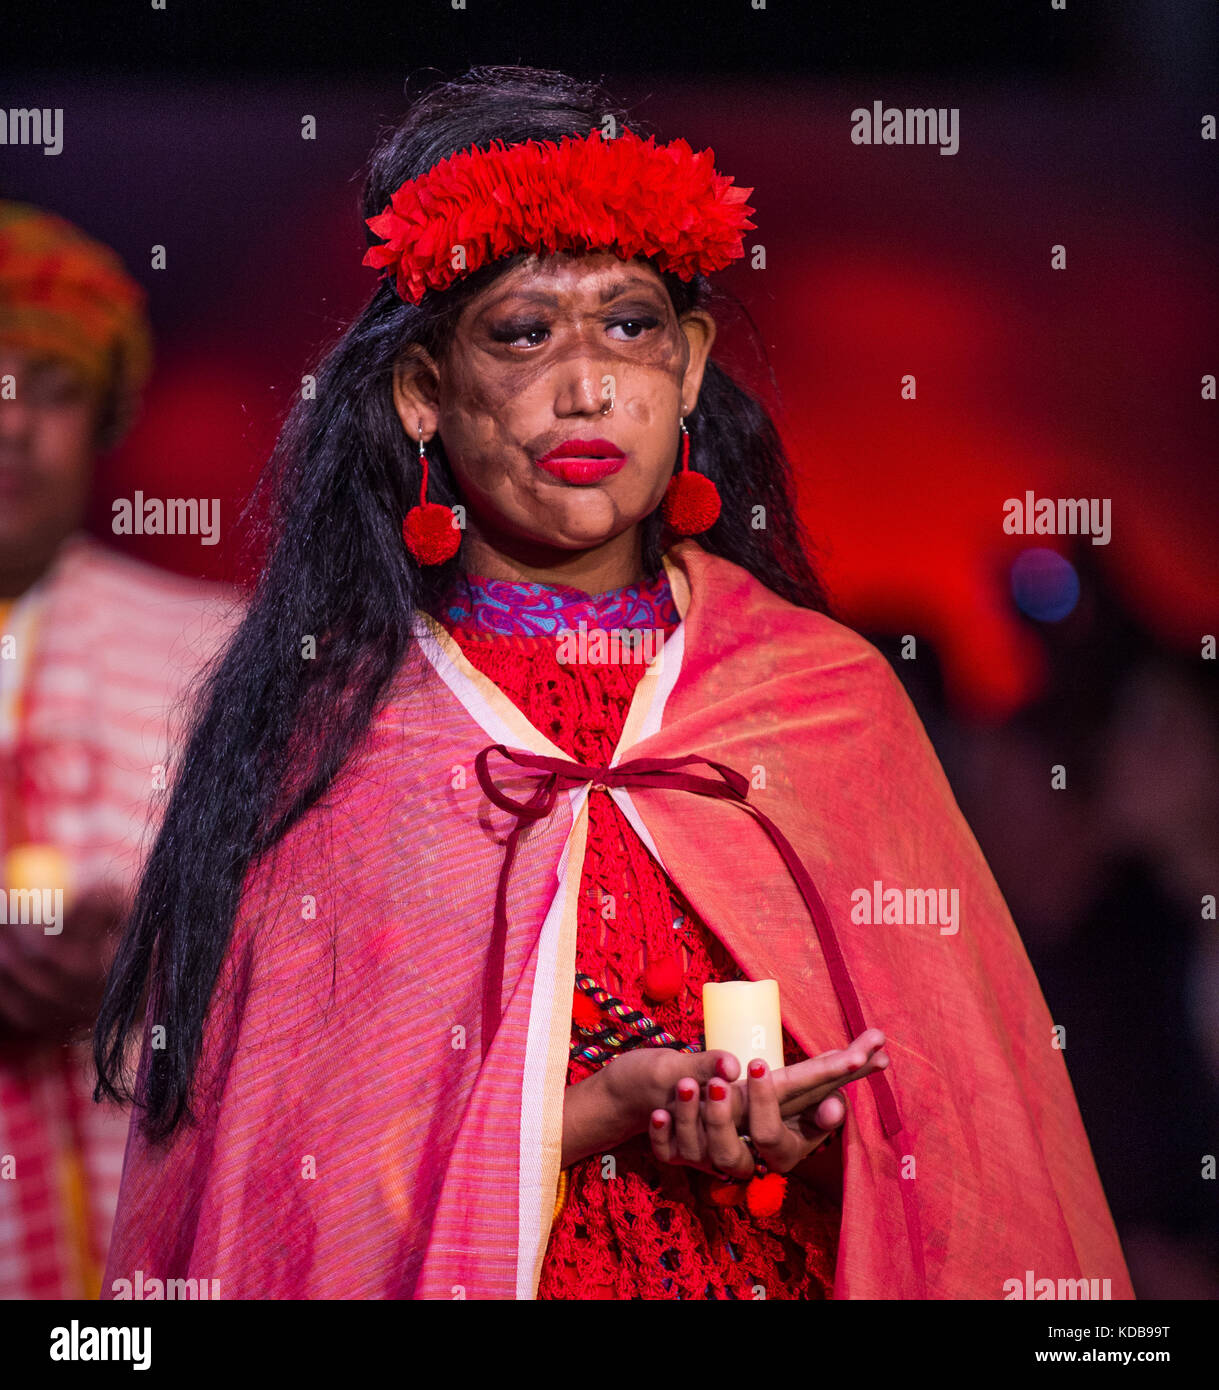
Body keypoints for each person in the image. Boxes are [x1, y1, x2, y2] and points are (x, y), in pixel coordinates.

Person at [94, 66, 1133, 1300]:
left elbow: (968, 1161)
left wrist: (809, 1133)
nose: (587, 385)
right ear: (423, 392)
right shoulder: (336, 742)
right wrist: (576, 1117)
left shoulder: (818, 698)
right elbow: (284, 1209)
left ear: (689, 366)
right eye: (523, 332)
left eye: (630, 326)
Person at [0, 201, 240, 1298]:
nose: (14, 427)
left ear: (101, 419)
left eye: (51, 391)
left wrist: (155, 966)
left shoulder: (217, 650)